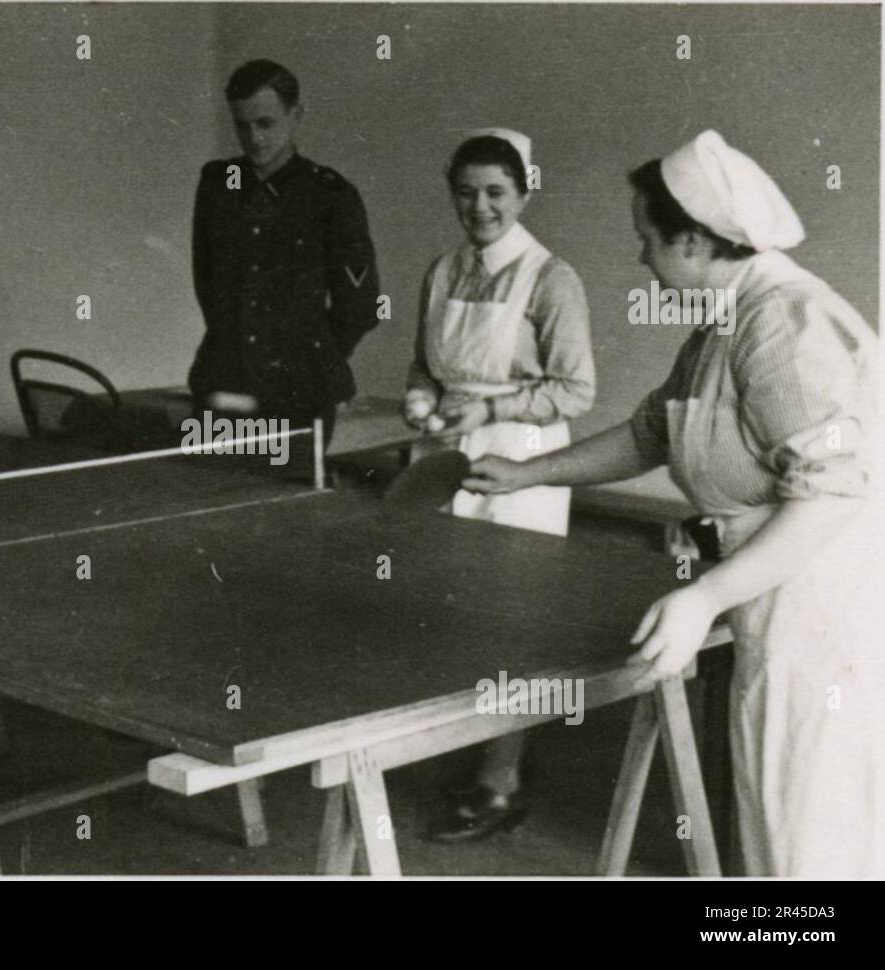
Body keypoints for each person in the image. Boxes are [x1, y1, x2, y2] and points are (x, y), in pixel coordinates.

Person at [465, 130, 881, 877]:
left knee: (809, 827)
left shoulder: (780, 325)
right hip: (778, 599)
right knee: (773, 816)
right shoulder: (725, 320)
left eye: (646, 241)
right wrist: (531, 474)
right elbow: (656, 431)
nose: (641, 260)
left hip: (827, 608)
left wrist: (704, 599)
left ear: (692, 241)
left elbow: (831, 496)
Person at [408, 130, 595, 841]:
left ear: (523, 192)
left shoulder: (552, 278)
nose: (479, 207)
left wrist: (493, 408)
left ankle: (500, 781)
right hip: (446, 450)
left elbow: (576, 391)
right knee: (449, 608)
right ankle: (468, 753)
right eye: (465, 191)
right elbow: (423, 365)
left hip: (523, 462)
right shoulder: (441, 270)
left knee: (511, 618)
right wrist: (422, 402)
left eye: (495, 192)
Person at [189, 59, 380, 447]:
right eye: (242, 125)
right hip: (224, 381)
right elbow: (207, 282)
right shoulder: (218, 184)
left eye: (266, 124)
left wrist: (309, 357)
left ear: (296, 115)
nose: (253, 138)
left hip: (300, 392)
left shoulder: (330, 195)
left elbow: (360, 305)